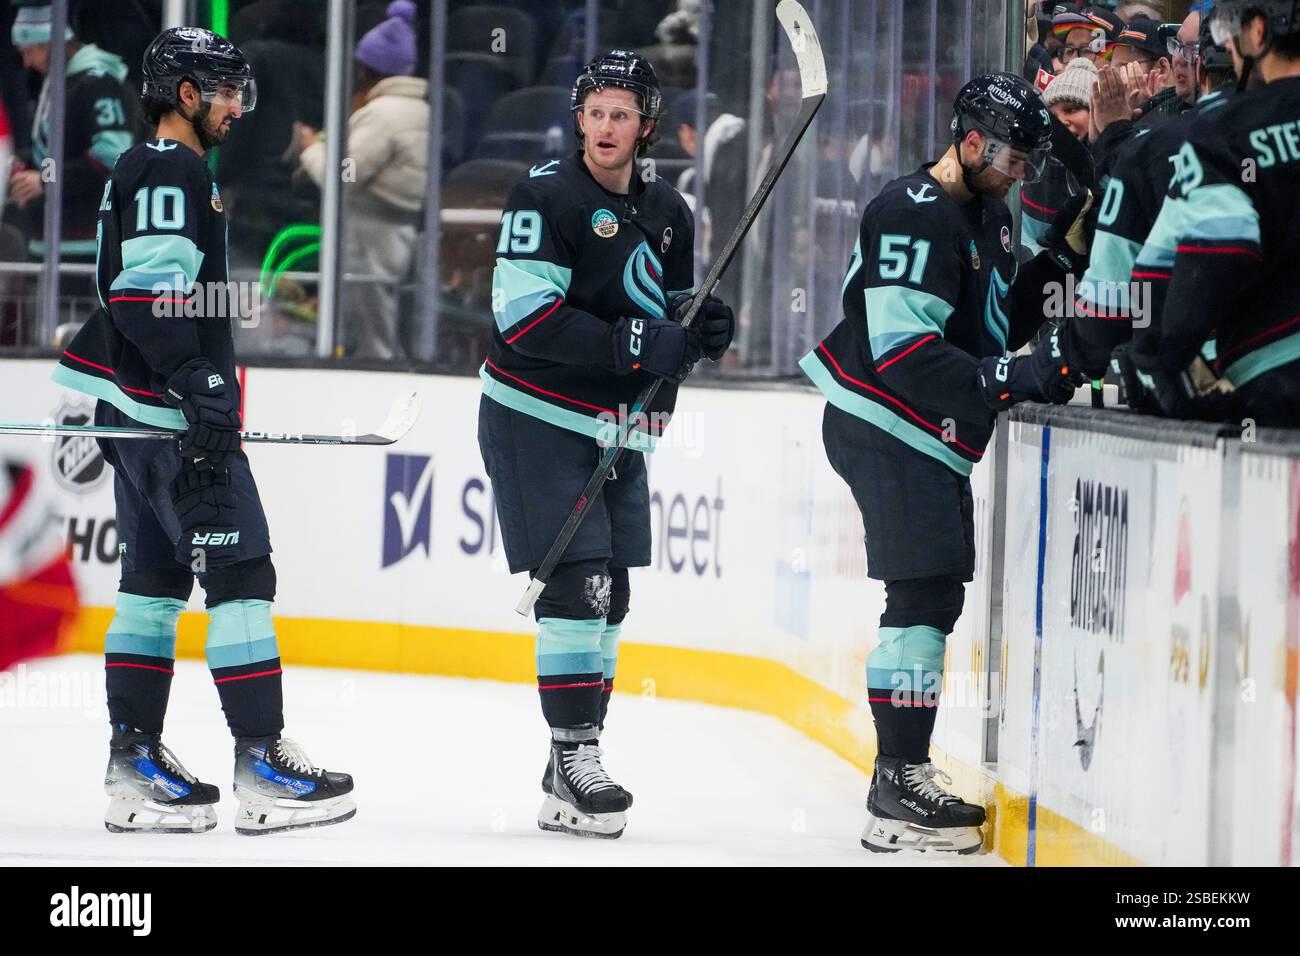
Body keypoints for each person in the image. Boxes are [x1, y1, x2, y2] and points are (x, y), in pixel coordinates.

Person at [48, 27, 355, 835]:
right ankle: (262, 762)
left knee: (151, 590)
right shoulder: (172, 168)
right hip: (175, 428)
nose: (235, 107)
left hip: (137, 420)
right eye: (222, 90)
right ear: (185, 94)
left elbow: (138, 295)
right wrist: (203, 382)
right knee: (243, 575)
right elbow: (149, 297)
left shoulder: (153, 169)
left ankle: (134, 762)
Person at [800, 74, 1090, 854]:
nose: (1023, 172)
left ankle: (900, 774)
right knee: (922, 591)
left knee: (930, 593)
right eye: (1014, 157)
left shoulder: (989, 212)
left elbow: (995, 322)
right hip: (882, 419)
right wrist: (1004, 379)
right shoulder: (908, 211)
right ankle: (898, 780)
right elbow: (902, 351)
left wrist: (1064, 254)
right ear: (969, 142)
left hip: (921, 429)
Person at [477, 50, 735, 839]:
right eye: (595, 112)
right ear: (579, 119)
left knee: (613, 594)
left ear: (646, 125)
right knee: (578, 588)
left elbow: (675, 311)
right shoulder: (544, 194)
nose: (606, 127)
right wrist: (636, 344)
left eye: (622, 114)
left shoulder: (671, 211)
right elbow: (523, 317)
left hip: (619, 429)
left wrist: (705, 328)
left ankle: (569, 769)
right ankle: (575, 753)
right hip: (537, 414)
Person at [1128, 1, 1300, 426]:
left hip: (1274, 376)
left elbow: (1222, 248)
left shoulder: (1225, 129)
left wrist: (1169, 356)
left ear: (1257, 34)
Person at [1067, 10, 1238, 393]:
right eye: (1178, 45)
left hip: (1209, 362)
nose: (1181, 57)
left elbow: (1144, 237)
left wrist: (1115, 139)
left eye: (1192, 49)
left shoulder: (1166, 139)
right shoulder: (1156, 124)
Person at [292, 0, 427, 360]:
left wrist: (310, 149)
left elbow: (343, 177)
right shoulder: (417, 108)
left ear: (368, 70)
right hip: (392, 234)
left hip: (370, 240)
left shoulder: (382, 115)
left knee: (375, 341)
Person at [7, 1, 135, 260]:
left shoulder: (96, 84)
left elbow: (112, 157)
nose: (27, 61)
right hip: (54, 240)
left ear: (53, 43)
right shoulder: (60, 83)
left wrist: (44, 182)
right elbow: (55, 157)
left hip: (87, 247)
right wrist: (28, 171)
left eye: (31, 51)